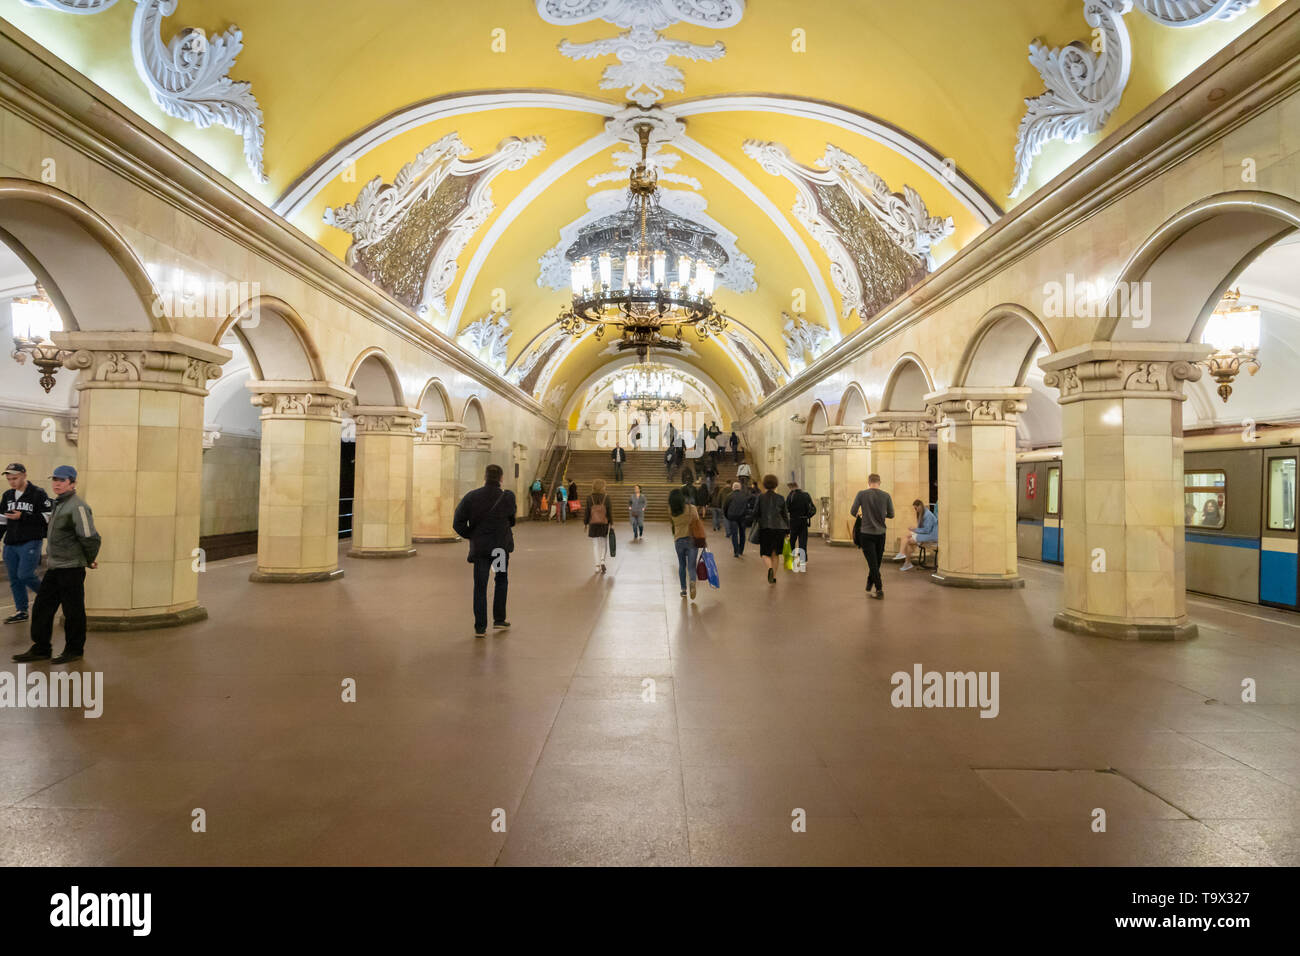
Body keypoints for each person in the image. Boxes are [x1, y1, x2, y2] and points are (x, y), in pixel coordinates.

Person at [12, 466, 99, 664]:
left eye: (62, 480)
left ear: (73, 483)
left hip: (71, 568)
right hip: (55, 567)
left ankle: (74, 649)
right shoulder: (58, 504)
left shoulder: (78, 507)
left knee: (73, 611)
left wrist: (88, 558)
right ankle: (41, 648)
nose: (57, 484)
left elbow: (90, 537)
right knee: (42, 607)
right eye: (55, 480)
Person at [452, 463, 517, 638]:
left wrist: (471, 535)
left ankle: (480, 627)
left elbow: (457, 522)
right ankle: (499, 620)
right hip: (499, 549)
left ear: (485, 477)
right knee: (501, 580)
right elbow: (512, 520)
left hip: (480, 549)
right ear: (501, 479)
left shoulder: (471, 497)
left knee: (480, 586)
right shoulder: (507, 497)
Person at [1, 463, 52, 625]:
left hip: (30, 541)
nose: (12, 482)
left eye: (15, 478)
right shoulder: (7, 495)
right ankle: (21, 611)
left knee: (25, 575)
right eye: (9, 479)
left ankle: (48, 596)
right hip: (11, 542)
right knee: (15, 578)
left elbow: (48, 517)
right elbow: (2, 520)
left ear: (24, 475)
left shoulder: (38, 494)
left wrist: (23, 516)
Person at [851, 473, 894, 600]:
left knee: (873, 563)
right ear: (879, 482)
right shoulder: (886, 496)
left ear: (869, 482)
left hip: (866, 533)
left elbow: (853, 511)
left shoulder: (861, 494)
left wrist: (863, 516)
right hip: (881, 534)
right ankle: (873, 585)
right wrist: (880, 515)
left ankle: (878, 588)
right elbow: (891, 514)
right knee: (876, 562)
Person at [754, 474, 790, 585]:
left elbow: (755, 513)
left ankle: (769, 568)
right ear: (775, 485)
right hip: (779, 529)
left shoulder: (760, 497)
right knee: (775, 554)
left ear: (764, 484)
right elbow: (785, 515)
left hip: (765, 528)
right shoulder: (780, 498)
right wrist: (787, 531)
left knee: (765, 553)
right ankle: (773, 576)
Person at [668, 488, 700, 600]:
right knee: (691, 566)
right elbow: (697, 521)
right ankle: (692, 581)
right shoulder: (692, 508)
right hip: (692, 539)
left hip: (679, 540)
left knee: (682, 565)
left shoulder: (671, 511)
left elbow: (672, 522)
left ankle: (683, 590)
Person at [892, 499, 937, 571]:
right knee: (907, 540)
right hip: (927, 534)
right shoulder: (923, 513)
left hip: (931, 536)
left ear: (920, 506)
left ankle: (903, 555)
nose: (915, 510)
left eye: (916, 508)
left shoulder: (928, 515)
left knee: (907, 539)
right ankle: (906, 562)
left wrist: (914, 530)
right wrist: (914, 530)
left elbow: (927, 530)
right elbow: (923, 529)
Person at [786, 479, 816, 568]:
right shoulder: (806, 495)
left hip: (793, 521)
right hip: (803, 521)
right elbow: (813, 508)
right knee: (803, 541)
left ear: (791, 487)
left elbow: (786, 508)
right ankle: (803, 560)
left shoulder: (790, 496)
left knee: (792, 540)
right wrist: (807, 516)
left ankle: (791, 559)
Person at [585, 477, 611, 574]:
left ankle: (597, 566)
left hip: (593, 523)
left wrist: (585, 523)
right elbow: (609, 512)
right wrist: (611, 523)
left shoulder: (589, 497)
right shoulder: (606, 497)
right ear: (602, 486)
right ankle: (602, 560)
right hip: (603, 523)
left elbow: (587, 511)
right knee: (604, 544)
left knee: (595, 545)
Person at [723, 480, 747, 557]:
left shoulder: (729, 496)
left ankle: (736, 551)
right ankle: (741, 550)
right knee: (742, 534)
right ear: (740, 488)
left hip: (732, 517)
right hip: (742, 517)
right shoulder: (744, 495)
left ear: (733, 488)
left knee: (734, 534)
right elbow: (747, 507)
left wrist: (727, 516)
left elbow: (725, 507)